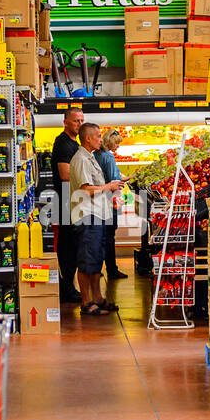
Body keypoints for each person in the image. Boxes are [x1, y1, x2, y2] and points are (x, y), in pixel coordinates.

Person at [70, 122, 123, 316]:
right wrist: (108, 187)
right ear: (88, 138)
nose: (101, 139)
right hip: (87, 216)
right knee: (86, 261)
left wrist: (110, 188)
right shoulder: (81, 159)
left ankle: (98, 298)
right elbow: (85, 190)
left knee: (95, 260)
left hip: (97, 215)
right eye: (99, 136)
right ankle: (86, 302)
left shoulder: (90, 157)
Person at [51, 108, 84, 304]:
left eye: (81, 121)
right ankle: (66, 289)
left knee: (72, 244)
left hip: (71, 200)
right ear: (65, 122)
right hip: (65, 201)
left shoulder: (73, 143)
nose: (79, 124)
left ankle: (68, 286)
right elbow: (65, 174)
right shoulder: (63, 143)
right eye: (75, 121)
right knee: (68, 246)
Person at [94, 129, 129, 280]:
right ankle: (112, 269)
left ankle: (96, 269)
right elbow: (114, 179)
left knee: (100, 236)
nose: (118, 146)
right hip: (109, 200)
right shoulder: (108, 156)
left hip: (98, 200)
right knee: (109, 237)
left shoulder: (96, 154)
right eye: (117, 143)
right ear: (110, 142)